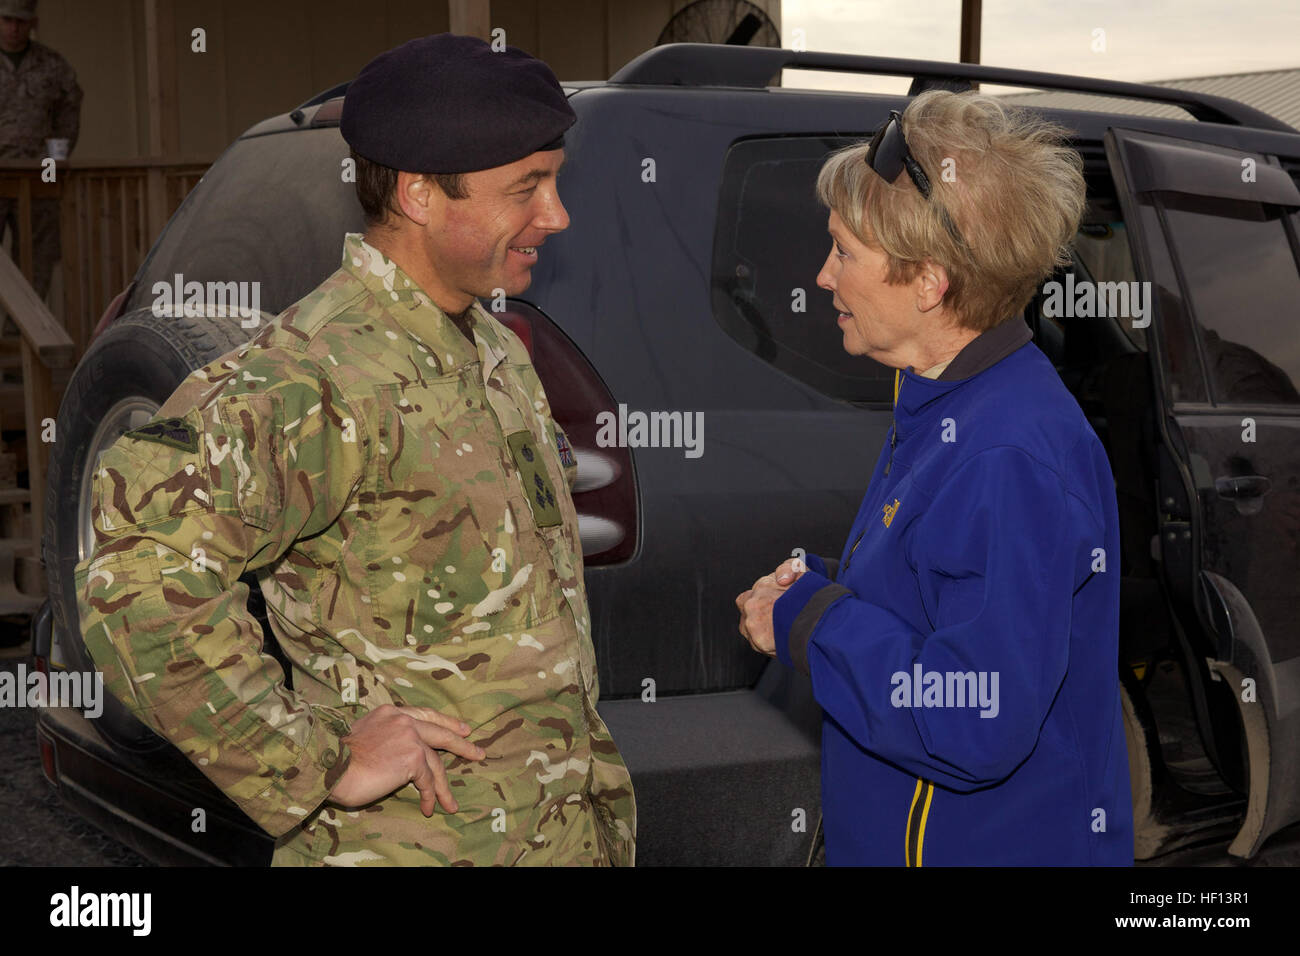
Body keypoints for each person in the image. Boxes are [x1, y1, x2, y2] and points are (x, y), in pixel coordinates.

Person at [76, 33, 635, 867]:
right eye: (528, 187)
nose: (555, 214)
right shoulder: (311, 376)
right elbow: (138, 578)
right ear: (417, 193)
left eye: (554, 180)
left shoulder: (492, 348)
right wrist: (315, 762)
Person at [736, 91, 1132, 865]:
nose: (822, 276)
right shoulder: (943, 399)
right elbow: (940, 602)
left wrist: (814, 624)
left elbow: (973, 713)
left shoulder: (1007, 456)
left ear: (929, 282)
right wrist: (815, 587)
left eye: (845, 252)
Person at [0, 0, 82, 305]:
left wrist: (55, 157)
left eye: (20, 21)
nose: (13, 28)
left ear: (32, 23)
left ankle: (21, 336)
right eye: (7, 20)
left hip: (38, 176)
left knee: (36, 258)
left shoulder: (52, 65)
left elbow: (69, 112)